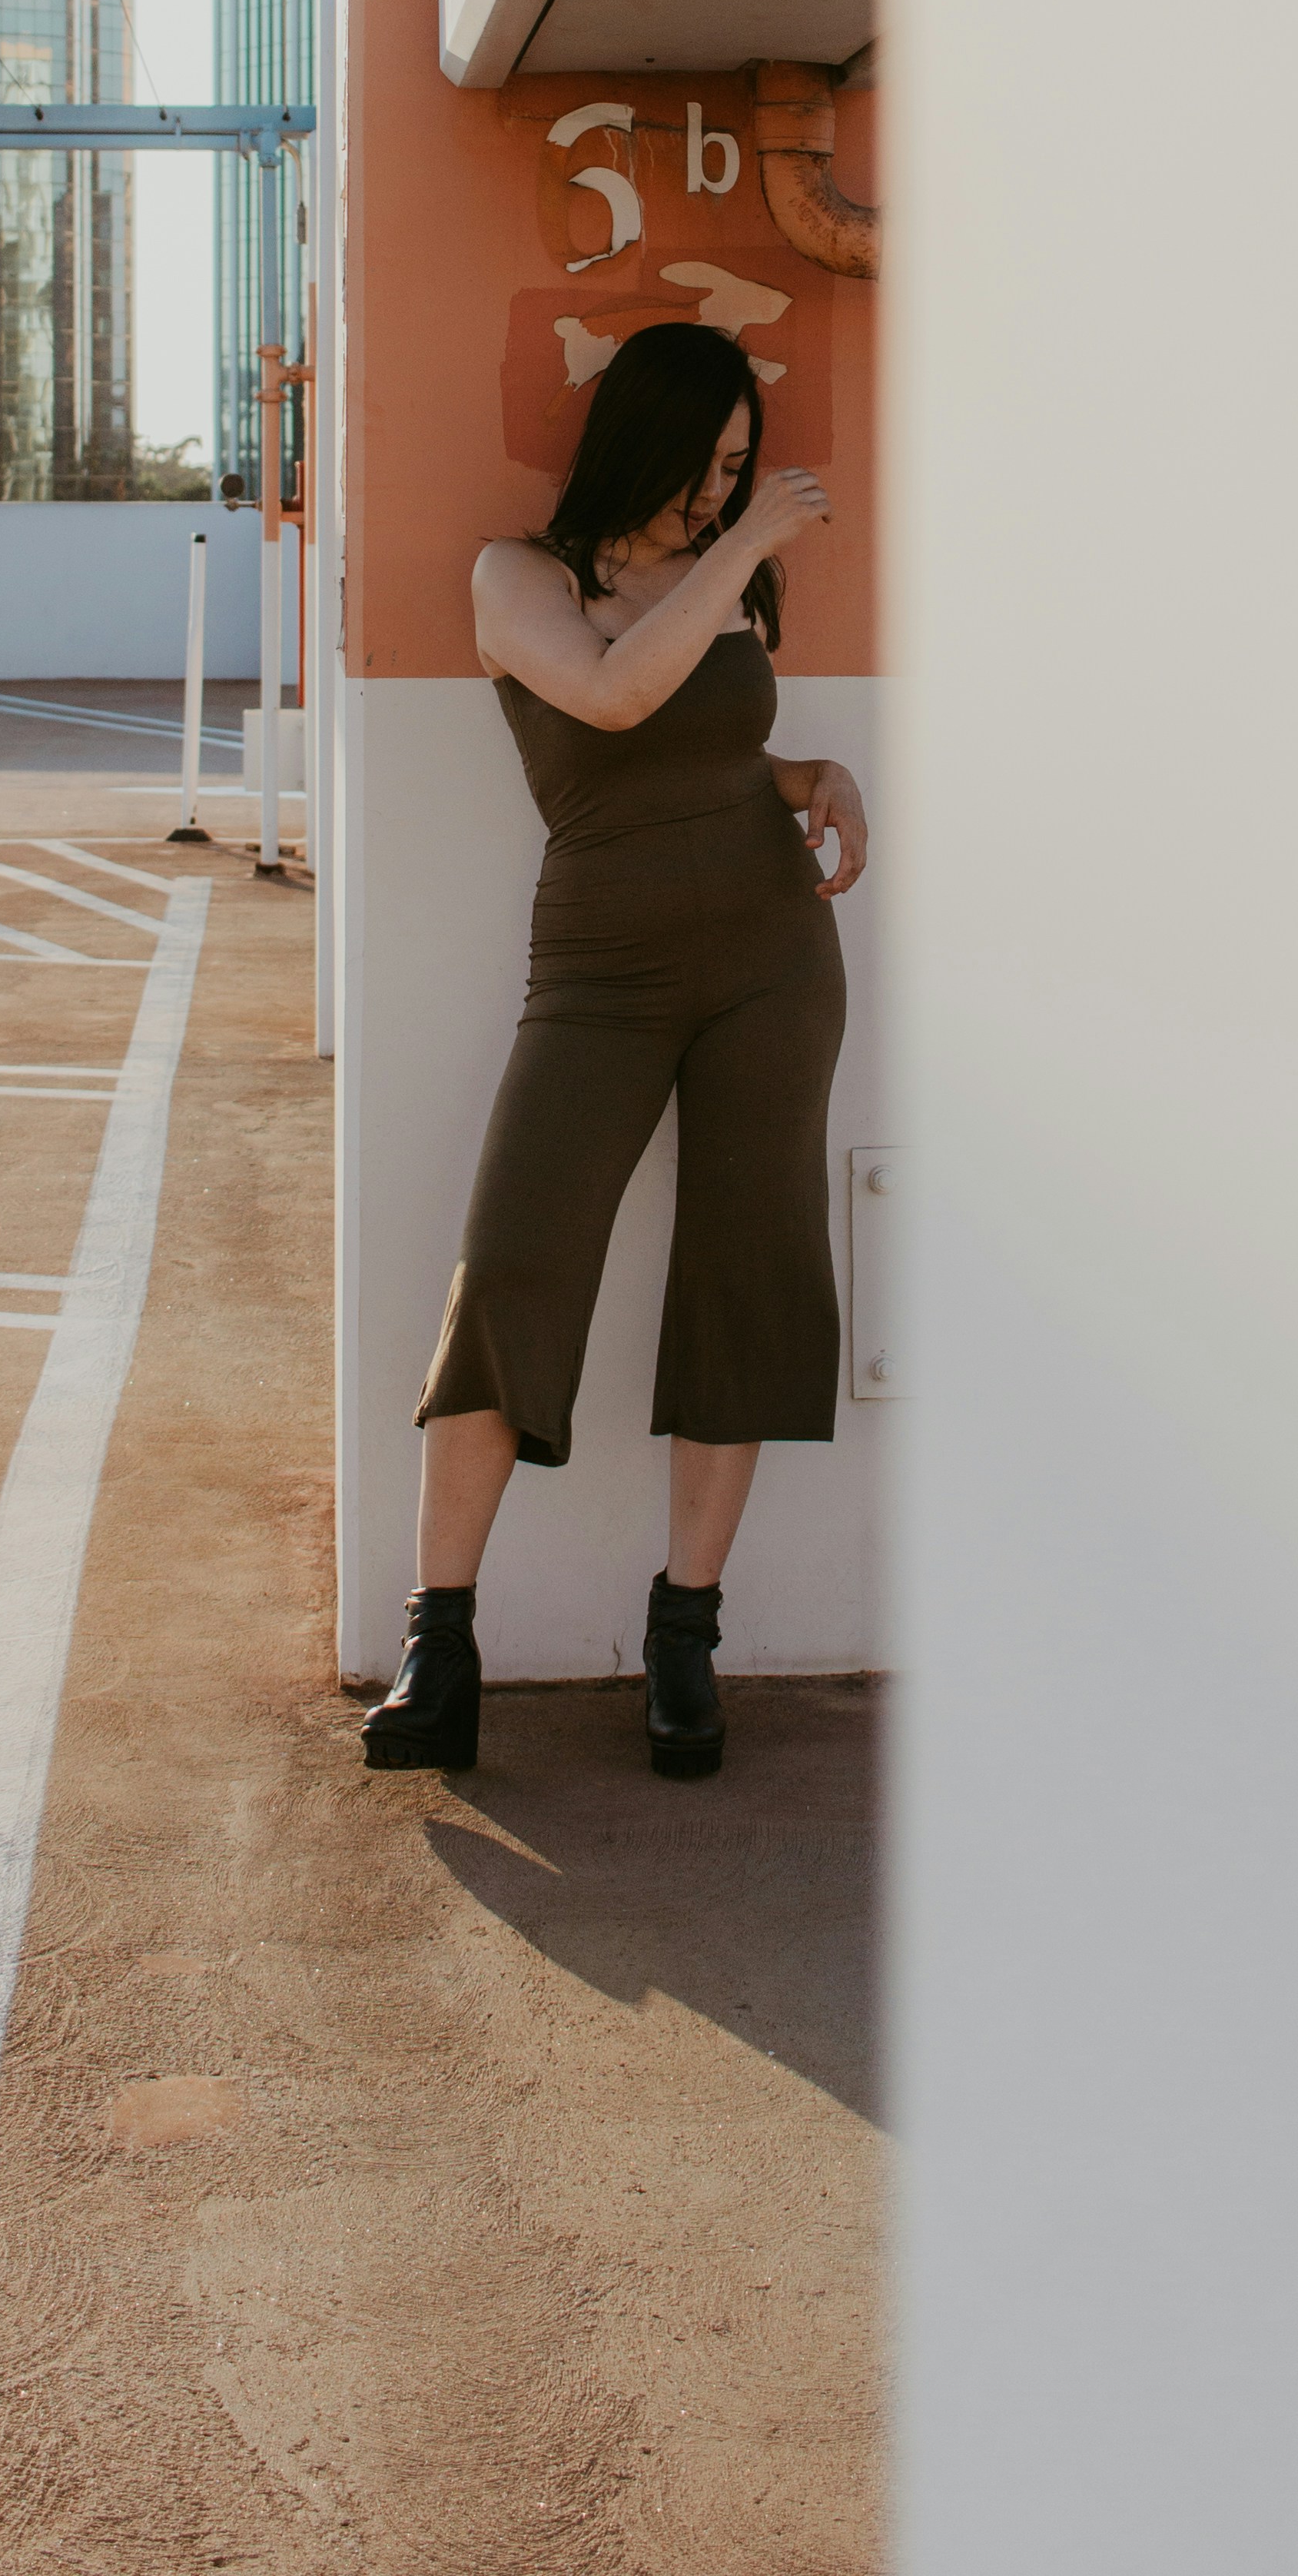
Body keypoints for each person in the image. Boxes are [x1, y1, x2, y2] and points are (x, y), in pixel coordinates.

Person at [361, 318, 867, 1783]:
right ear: (639, 437)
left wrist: (807, 771)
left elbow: (698, 748)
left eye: (739, 470)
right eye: (703, 465)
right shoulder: (521, 579)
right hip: (601, 972)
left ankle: (685, 1633)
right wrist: (746, 543)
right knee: (514, 1263)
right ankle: (440, 1643)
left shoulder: (726, 577)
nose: (719, 494)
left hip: (772, 962)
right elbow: (612, 698)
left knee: (748, 1272)